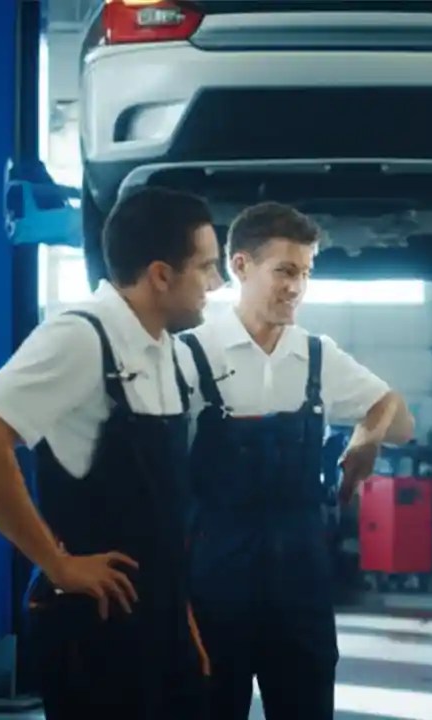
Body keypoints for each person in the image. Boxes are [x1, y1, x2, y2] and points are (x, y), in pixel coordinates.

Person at [0, 187, 225, 719]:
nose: (215, 284)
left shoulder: (169, 351)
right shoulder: (80, 338)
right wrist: (57, 563)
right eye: (206, 268)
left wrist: (180, 610)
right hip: (94, 625)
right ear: (161, 274)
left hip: (162, 617)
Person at [177, 201, 416, 719]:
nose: (297, 288)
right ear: (240, 266)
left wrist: (366, 438)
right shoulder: (190, 355)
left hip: (301, 591)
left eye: (305, 273)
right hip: (216, 590)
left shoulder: (316, 355)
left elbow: (396, 415)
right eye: (284, 271)